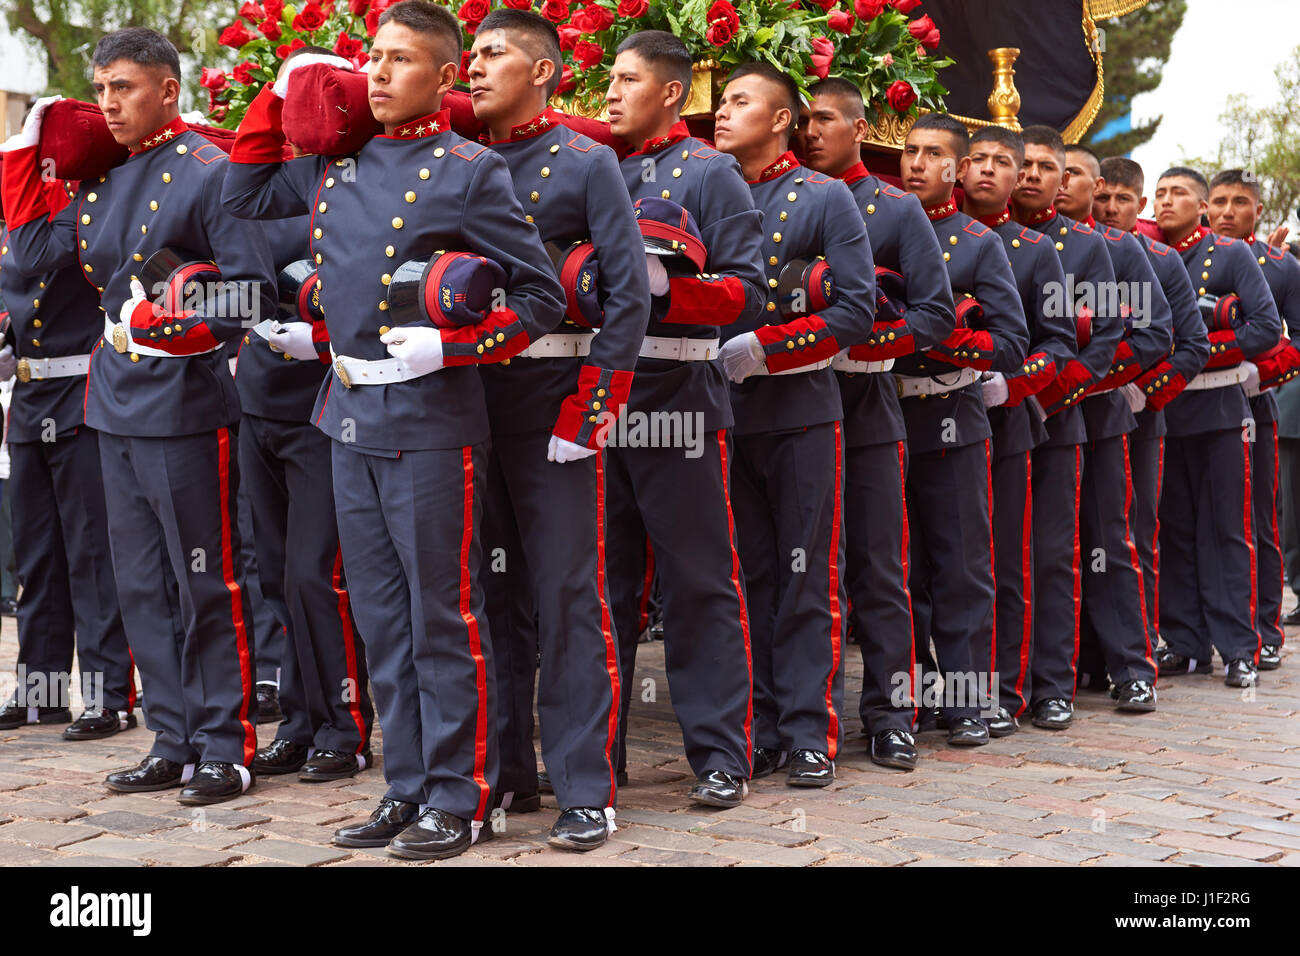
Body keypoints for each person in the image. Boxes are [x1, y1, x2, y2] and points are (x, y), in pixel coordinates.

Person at [224, 0, 564, 859]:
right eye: (370, 58)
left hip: (430, 418)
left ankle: (462, 794)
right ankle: (406, 786)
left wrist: (450, 349)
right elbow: (244, 188)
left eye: (400, 60)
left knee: (440, 617)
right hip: (345, 413)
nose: (376, 73)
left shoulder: (469, 170)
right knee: (379, 617)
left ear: (445, 78)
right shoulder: (337, 163)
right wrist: (283, 86)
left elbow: (541, 297)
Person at [1, 28, 276, 804]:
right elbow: (25, 259)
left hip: (186, 403)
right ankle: (171, 736)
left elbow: (252, 294)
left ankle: (225, 744)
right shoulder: (100, 183)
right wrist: (26, 155)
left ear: (168, 89)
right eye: (101, 89)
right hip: (111, 406)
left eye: (123, 86)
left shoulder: (210, 173)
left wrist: (172, 326)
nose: (109, 103)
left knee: (207, 583)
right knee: (144, 585)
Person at [466, 9, 649, 849]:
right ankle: (504, 774)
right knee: (488, 595)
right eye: (469, 53)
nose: (474, 66)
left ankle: (584, 786)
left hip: (552, 402)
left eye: (493, 53)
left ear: (543, 71)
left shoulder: (585, 162)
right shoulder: (451, 162)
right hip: (465, 404)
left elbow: (631, 296)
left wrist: (593, 408)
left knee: (568, 596)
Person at [603, 30, 762, 807]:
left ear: (671, 91)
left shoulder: (710, 173)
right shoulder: (591, 166)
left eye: (627, 79)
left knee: (698, 582)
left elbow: (747, 293)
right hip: (599, 396)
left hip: (679, 395)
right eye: (607, 77)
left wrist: (667, 291)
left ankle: (720, 754)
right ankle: (597, 759)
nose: (609, 92)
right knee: (599, 585)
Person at [712, 63, 874, 786]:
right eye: (720, 100)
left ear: (782, 118)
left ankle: (810, 730)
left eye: (740, 101)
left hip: (800, 408)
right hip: (718, 414)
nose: (722, 112)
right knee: (745, 576)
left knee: (809, 573)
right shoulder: (705, 187)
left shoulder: (824, 197)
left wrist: (768, 348)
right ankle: (761, 726)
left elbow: (855, 312)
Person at [801, 77, 955, 771]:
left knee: (878, 569)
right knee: (799, 571)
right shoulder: (779, 196)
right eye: (803, 119)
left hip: (864, 401)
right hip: (788, 404)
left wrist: (851, 342)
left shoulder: (895, 207)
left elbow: (933, 316)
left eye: (825, 119)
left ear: (858, 129)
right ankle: (797, 719)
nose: (810, 131)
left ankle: (893, 716)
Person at [233, 44, 378, 785]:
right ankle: (299, 714)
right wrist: (276, 81)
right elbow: (238, 193)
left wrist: (317, 337)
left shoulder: (358, 171)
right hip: (260, 394)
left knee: (318, 573)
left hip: (327, 395)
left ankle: (343, 725)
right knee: (274, 577)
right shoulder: (283, 174)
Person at [898, 112, 1028, 746]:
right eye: (910, 152)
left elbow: (1010, 344)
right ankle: (911, 699)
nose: (917, 163)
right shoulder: (873, 226)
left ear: (956, 168)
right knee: (899, 571)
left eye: (932, 155)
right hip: (882, 412)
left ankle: (967, 700)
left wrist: (948, 335)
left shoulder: (978, 242)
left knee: (960, 567)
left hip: (951, 413)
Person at [0, 173, 136, 739]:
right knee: (38, 556)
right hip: (31, 403)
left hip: (82, 397)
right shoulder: (15, 220)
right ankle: (43, 694)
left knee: (91, 555)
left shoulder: (90, 206)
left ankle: (109, 699)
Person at [959, 126, 1076, 733]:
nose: (987, 170)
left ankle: (1015, 687)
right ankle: (949, 690)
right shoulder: (924, 235)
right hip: (935, 417)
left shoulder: (1035, 250)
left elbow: (1058, 343)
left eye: (1002, 162)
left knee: (1010, 560)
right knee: (943, 565)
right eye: (975, 159)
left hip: (1007, 420)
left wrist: (1013, 384)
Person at [1009, 128, 1125, 727]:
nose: (1030, 175)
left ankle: (1053, 685)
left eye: (1044, 167)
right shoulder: (989, 237)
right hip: (991, 419)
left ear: (1063, 178)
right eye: (1021, 164)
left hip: (1055, 417)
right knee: (996, 558)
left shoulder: (1086, 247)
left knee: (1055, 557)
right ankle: (1000, 685)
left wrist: (1045, 396)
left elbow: (1103, 341)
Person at [1149, 166, 1281, 687]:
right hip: (1166, 409)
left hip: (1222, 409)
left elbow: (1266, 328)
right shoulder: (1152, 255)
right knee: (1175, 532)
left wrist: (1198, 352)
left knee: (1227, 531)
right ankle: (1184, 642)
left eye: (1178, 193)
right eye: (1159, 193)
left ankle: (1239, 647)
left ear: (1201, 206)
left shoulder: (1230, 254)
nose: (1166, 201)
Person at [1053, 141, 1172, 715]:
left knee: (1108, 540)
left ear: (1093, 188)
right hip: (1038, 415)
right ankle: (1065, 668)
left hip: (1098, 412)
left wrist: (1091, 377)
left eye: (1072, 173)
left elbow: (1153, 336)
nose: (1057, 181)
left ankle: (1132, 667)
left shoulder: (1120, 250)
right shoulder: (1020, 243)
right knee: (1050, 546)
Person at [1093, 157, 1211, 686]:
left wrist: (1144, 391)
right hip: (1079, 409)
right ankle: (1088, 656)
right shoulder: (1076, 251)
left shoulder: (1161, 261)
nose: (1110, 208)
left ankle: (1136, 654)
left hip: (1140, 418)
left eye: (1123, 200)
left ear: (1139, 206)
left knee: (1134, 534)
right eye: (1104, 198)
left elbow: (1191, 345)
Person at [1207, 167, 1300, 670]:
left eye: (1239, 202)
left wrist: (1262, 372)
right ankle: (1193, 630)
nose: (1226, 212)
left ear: (1258, 211)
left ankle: (1266, 628)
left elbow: (1299, 337)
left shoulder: (1280, 265)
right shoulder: (1186, 256)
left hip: (1254, 406)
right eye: (1218, 201)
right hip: (1193, 402)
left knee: (1257, 522)